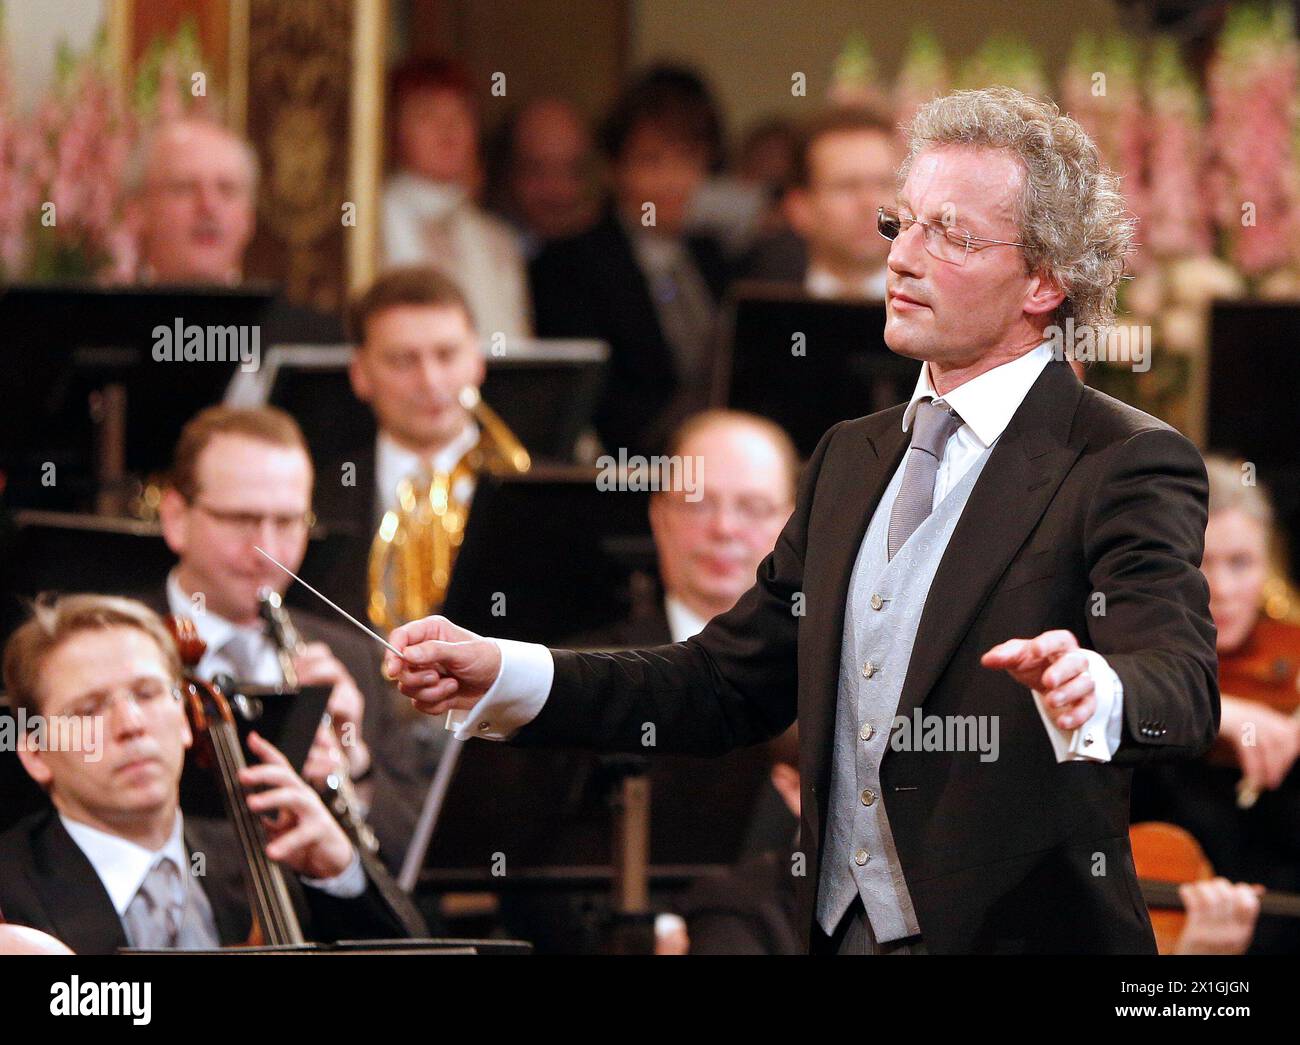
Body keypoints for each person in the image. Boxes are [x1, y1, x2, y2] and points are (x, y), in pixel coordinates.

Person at [384, 86, 1219, 955]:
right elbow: (719, 682)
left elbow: (1184, 685)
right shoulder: (850, 458)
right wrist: (506, 670)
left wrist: (1099, 690)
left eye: (954, 235)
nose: (902, 259)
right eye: (904, 226)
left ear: (1046, 280)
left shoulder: (1120, 459)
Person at [0, 594, 409, 953]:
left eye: (147, 693)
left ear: (184, 719)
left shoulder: (265, 854)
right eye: (89, 709)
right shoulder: (11, 897)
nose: (131, 724)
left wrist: (341, 875)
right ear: (35, 751)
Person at [147, 405, 424, 876]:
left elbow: (408, 862)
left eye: (289, 521)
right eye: (241, 520)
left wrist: (352, 766)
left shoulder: (351, 655)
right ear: (176, 517)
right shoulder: (111, 650)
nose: (267, 551)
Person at [1132, 454, 1300, 952]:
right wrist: (1214, 709)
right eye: (1199, 563)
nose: (1221, 590)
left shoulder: (1289, 653)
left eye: (1241, 563)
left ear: (1269, 565)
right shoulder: (1127, 668)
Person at [530, 64, 731, 456]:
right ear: (615, 169)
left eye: (687, 159)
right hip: (626, 469)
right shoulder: (569, 266)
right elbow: (587, 398)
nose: (673, 181)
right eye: (651, 161)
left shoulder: (715, 259)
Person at [122, 116, 344, 342]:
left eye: (227, 189)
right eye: (185, 188)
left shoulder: (312, 342)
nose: (208, 206)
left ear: (250, 216)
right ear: (136, 211)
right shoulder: (98, 330)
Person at [381, 58, 531, 338]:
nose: (447, 130)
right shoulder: (368, 230)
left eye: (460, 114)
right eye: (427, 115)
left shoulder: (497, 240)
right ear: (391, 129)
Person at [745, 107, 899, 300]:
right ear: (799, 208)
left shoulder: (939, 311)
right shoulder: (761, 305)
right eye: (847, 186)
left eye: (884, 184)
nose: (870, 203)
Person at [486, 97, 600, 258]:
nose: (560, 191)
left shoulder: (610, 254)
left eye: (574, 171)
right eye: (538, 170)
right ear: (505, 172)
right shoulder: (483, 252)